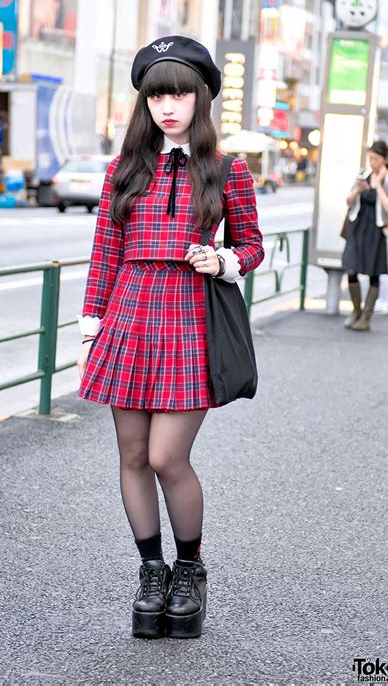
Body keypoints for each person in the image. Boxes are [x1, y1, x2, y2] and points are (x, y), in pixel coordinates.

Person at [77, 35, 264, 640]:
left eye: (180, 92)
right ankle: (151, 572)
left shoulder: (227, 169)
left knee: (165, 456)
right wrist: (91, 326)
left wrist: (224, 260)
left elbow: (254, 247)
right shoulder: (123, 170)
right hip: (129, 315)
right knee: (131, 455)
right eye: (157, 94)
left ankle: (190, 569)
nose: (169, 105)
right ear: (145, 102)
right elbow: (105, 253)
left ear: (201, 96)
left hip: (187, 317)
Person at [342, 140, 388, 331]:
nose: (372, 162)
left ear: (385, 159)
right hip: (358, 227)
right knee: (351, 270)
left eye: (376, 159)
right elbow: (348, 200)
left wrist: (378, 186)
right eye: (370, 158)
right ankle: (356, 311)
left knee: (374, 273)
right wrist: (356, 191)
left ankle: (366, 318)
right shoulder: (363, 174)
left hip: (378, 231)